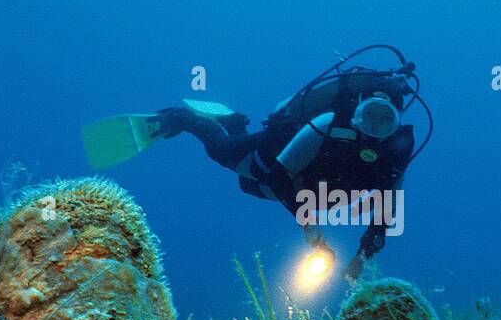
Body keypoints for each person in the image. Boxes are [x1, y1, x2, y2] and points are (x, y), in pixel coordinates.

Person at [81, 46, 430, 283]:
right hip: (271, 166)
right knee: (223, 154)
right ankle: (183, 118)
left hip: (314, 193)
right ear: (356, 113)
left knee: (254, 187)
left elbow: (384, 215)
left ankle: (235, 120)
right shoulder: (327, 124)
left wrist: (360, 259)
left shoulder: (395, 153)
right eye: (369, 116)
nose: (375, 128)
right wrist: (309, 230)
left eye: (385, 122)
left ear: (398, 122)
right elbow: (279, 176)